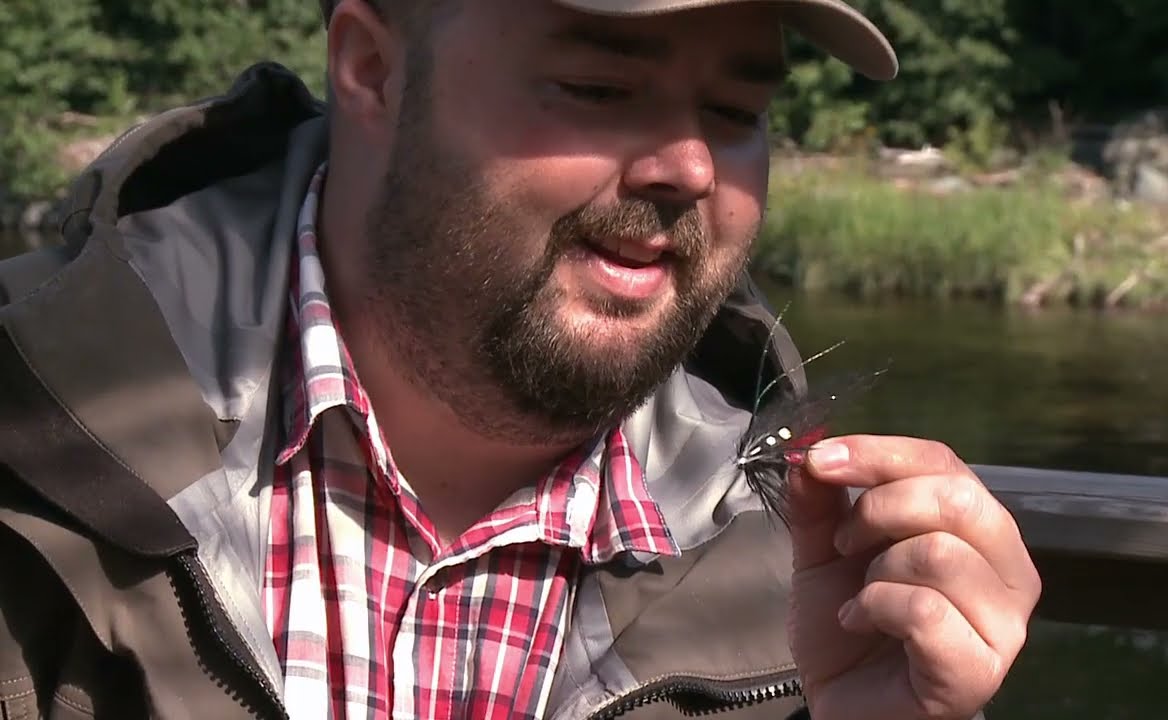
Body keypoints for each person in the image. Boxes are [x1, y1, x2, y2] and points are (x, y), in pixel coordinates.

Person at [0, 0, 1041, 718]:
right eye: (595, 84)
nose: (686, 164)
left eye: (734, 111)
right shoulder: (34, 422)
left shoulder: (808, 575)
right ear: (372, 68)